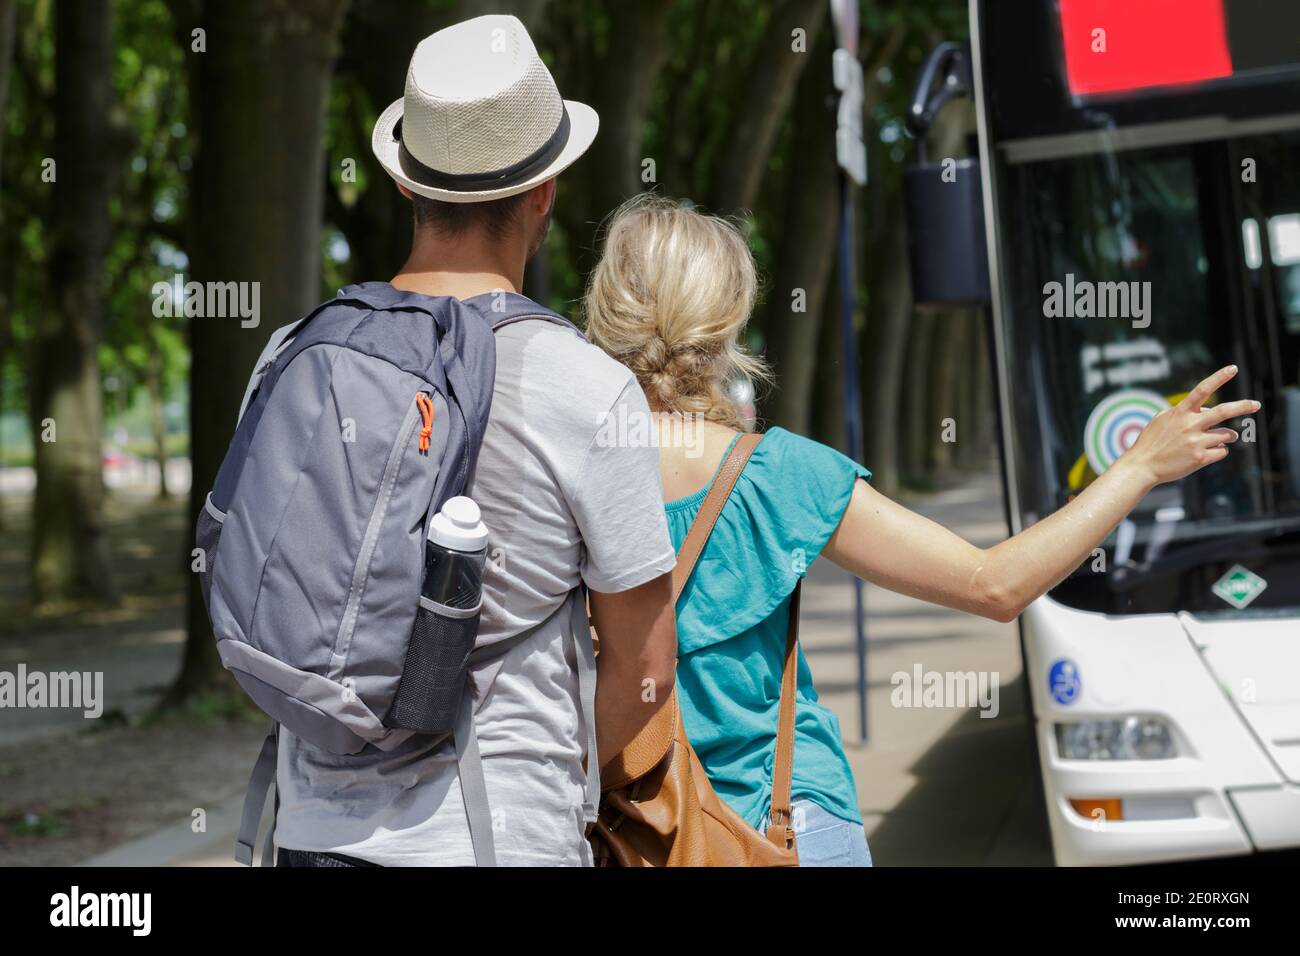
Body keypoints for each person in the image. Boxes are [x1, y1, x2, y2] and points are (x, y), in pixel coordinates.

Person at [582, 195, 1260, 867]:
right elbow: (996, 585)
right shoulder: (779, 474)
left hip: (636, 835)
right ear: (728, 320)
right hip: (788, 828)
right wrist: (1140, 465)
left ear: (604, 314)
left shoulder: (559, 476)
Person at [271, 16, 678, 867]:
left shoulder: (292, 357)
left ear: (407, 187)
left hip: (306, 830)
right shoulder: (586, 386)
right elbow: (646, 669)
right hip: (497, 834)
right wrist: (569, 780)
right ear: (545, 191)